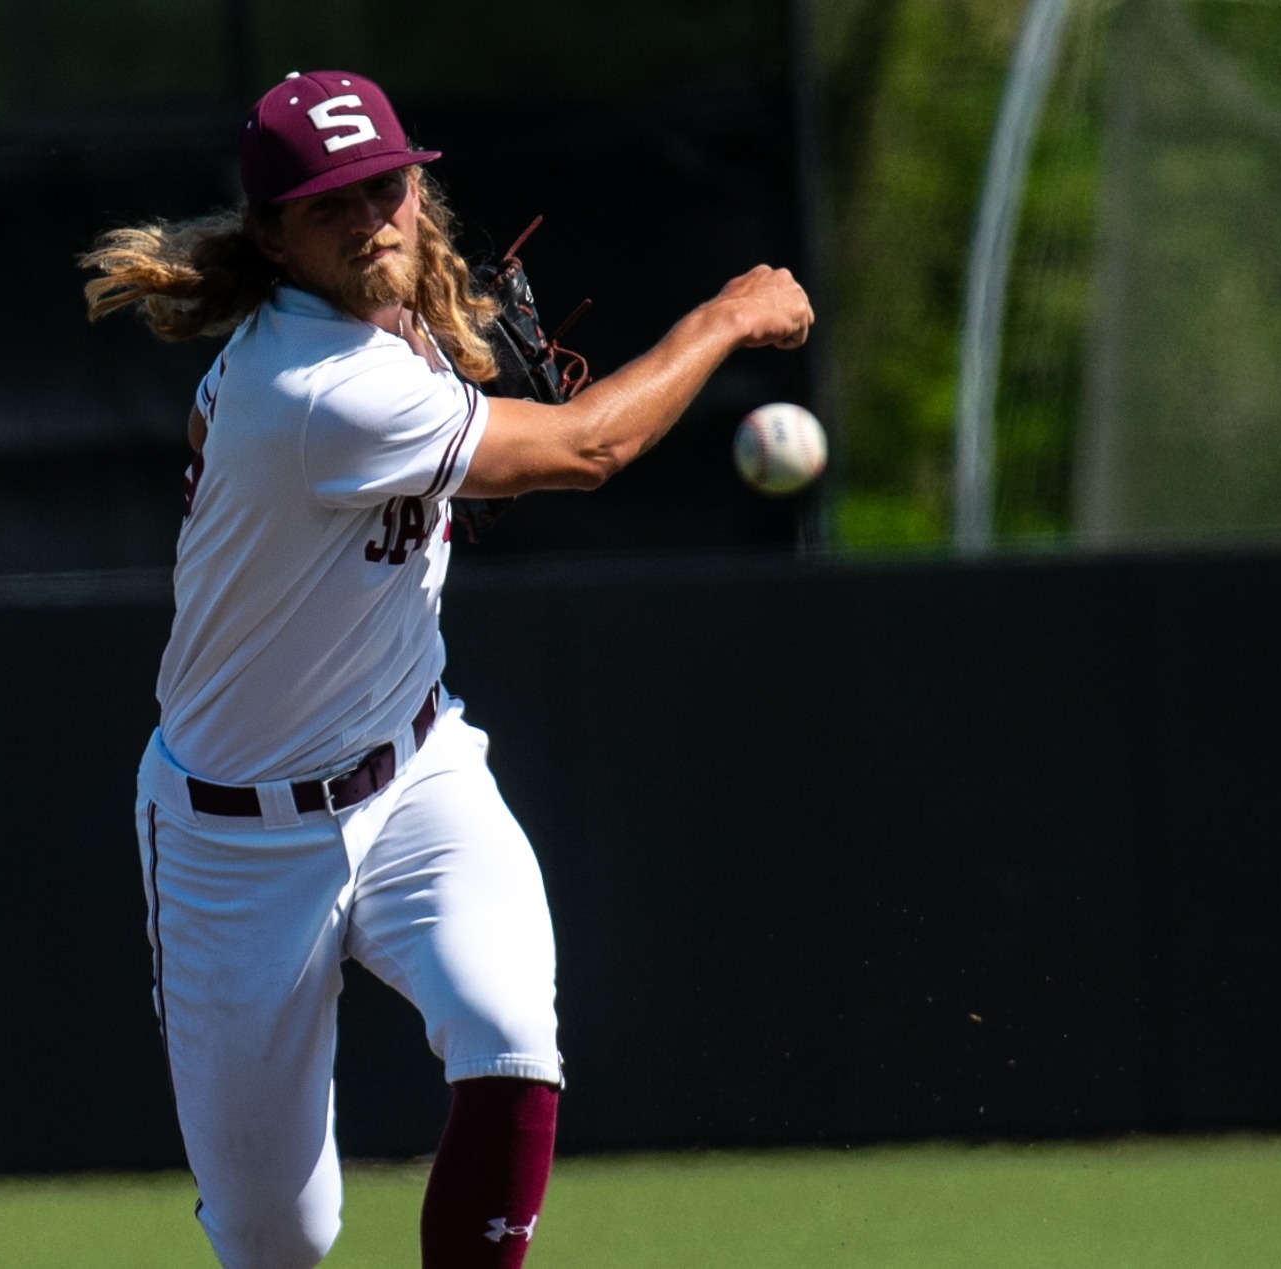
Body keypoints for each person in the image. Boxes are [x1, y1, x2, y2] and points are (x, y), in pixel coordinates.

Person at [81, 69, 812, 1269]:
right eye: (332, 206)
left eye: (387, 187)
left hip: (416, 773)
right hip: (233, 843)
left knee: (510, 1039)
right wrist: (728, 315)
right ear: (273, 236)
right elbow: (590, 448)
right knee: (282, 1240)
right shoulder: (317, 390)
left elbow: (432, 309)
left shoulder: (384, 311)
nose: (373, 219)